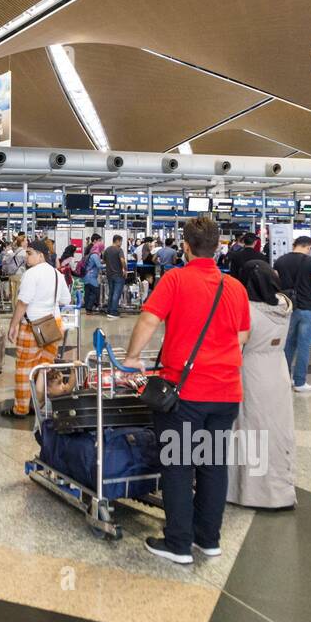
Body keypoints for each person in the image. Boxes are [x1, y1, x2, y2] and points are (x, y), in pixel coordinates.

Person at [120, 215, 250, 565]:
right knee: (212, 465)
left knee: (178, 466)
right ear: (219, 247)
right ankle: (209, 540)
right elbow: (241, 337)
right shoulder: (234, 287)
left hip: (186, 393)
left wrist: (133, 357)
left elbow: (149, 319)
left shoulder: (176, 279)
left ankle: (178, 544)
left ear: (186, 247)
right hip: (226, 394)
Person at [227, 260, 296, 510]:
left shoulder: (247, 310)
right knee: (277, 430)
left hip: (251, 371)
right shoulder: (284, 305)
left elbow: (235, 343)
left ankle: (249, 492)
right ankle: (279, 490)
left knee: (250, 428)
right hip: (277, 370)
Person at [5, 239, 70, 418]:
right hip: (54, 325)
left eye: (30, 253)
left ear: (41, 255)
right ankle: (38, 404)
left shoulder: (31, 274)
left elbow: (23, 302)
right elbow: (66, 299)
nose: (27, 256)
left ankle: (21, 409)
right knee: (45, 367)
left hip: (33, 325)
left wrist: (13, 325)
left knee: (25, 367)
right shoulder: (57, 274)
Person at [274, 236, 311, 394]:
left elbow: (274, 284)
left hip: (287, 308)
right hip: (308, 308)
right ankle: (300, 382)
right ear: (308, 247)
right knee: (304, 346)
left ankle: (285, 379)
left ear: (294, 244)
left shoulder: (280, 260)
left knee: (288, 345)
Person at [103, 234, 126, 319]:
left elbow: (104, 260)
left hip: (109, 274)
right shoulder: (119, 250)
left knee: (111, 292)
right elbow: (122, 260)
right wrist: (124, 269)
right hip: (118, 275)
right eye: (121, 241)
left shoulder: (107, 250)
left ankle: (109, 310)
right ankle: (113, 312)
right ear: (117, 241)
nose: (121, 243)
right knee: (117, 293)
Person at [82, 236, 103, 312]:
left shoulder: (91, 254)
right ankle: (89, 307)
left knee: (87, 292)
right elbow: (99, 266)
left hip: (86, 276)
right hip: (91, 277)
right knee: (96, 291)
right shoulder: (95, 255)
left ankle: (88, 308)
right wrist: (108, 265)